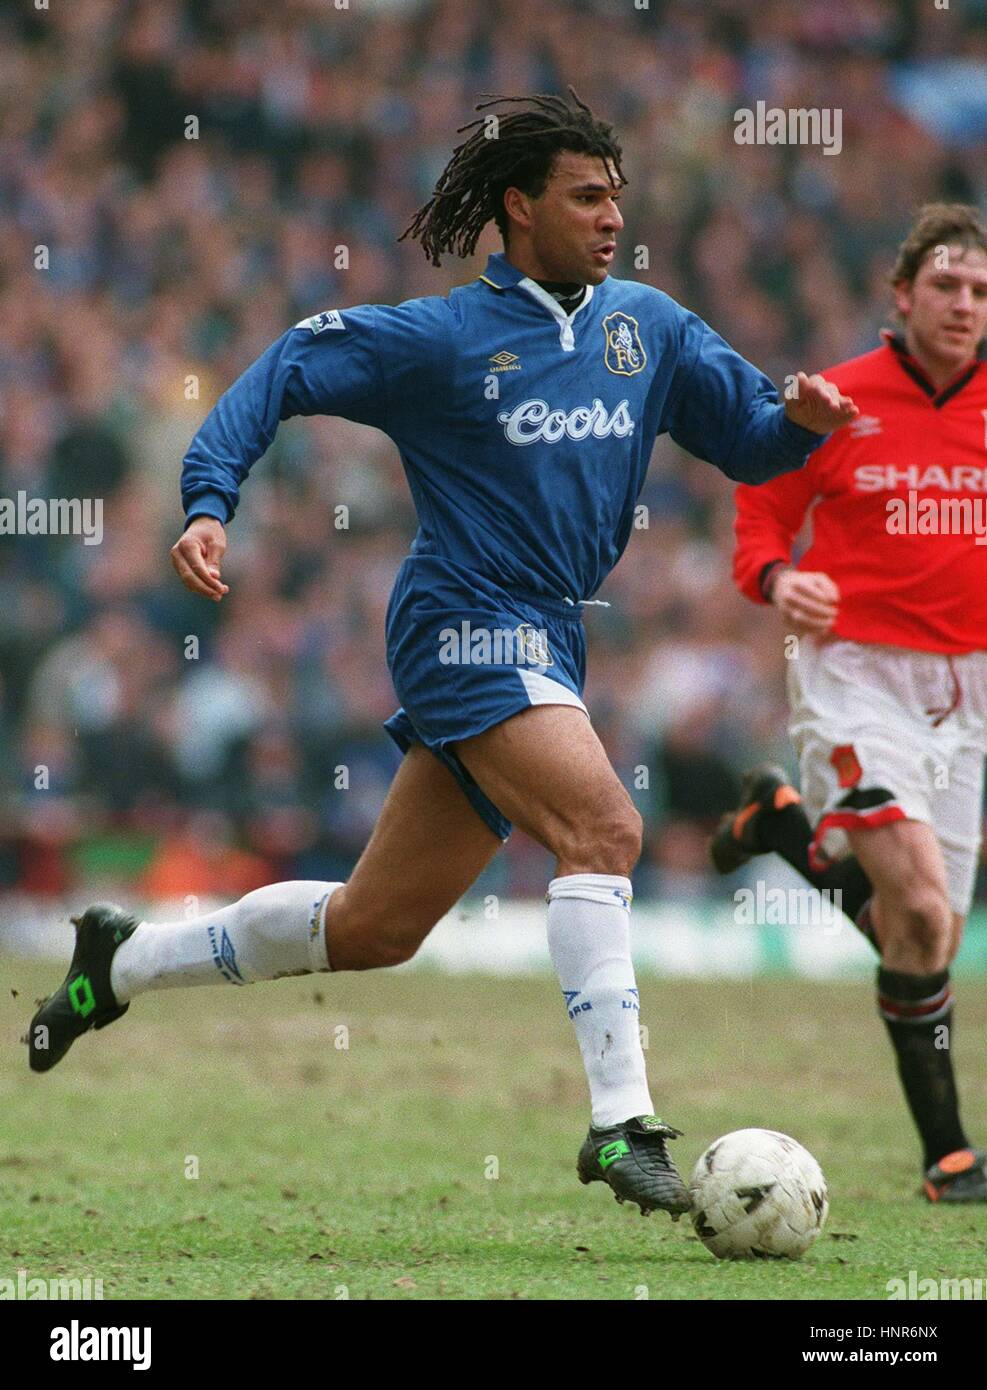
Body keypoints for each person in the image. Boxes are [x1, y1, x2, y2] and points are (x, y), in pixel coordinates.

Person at [29, 91, 857, 1218]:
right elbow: (290, 361)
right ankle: (621, 1125)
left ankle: (117, 963)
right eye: (587, 195)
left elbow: (751, 439)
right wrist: (209, 498)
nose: (613, 215)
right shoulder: (444, 339)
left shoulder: (648, 330)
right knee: (605, 828)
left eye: (617, 194)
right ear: (517, 208)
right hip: (461, 619)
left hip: (550, 635)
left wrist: (800, 422)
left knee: (372, 929)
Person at [710, 203, 987, 1203]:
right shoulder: (840, 399)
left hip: (970, 688)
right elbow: (762, 502)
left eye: (981, 291)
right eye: (947, 286)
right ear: (902, 296)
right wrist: (780, 579)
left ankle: (785, 827)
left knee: (928, 937)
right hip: (857, 670)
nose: (965, 305)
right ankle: (950, 1155)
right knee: (914, 905)